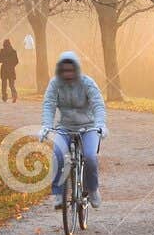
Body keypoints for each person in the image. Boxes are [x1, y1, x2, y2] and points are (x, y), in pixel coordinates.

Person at [39, 51, 107, 209]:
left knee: (90, 157)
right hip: (65, 127)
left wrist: (100, 125)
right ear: (60, 70)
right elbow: (49, 105)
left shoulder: (87, 82)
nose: (68, 74)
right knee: (57, 155)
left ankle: (92, 189)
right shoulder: (55, 84)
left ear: (76, 69)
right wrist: (46, 126)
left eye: (71, 70)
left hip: (89, 127)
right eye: (65, 70)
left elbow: (98, 104)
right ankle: (58, 194)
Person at [0, 38, 20, 102]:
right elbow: (16, 61)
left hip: (4, 69)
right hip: (11, 70)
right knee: (11, 84)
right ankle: (14, 95)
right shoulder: (13, 51)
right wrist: (12, 65)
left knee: (4, 84)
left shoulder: (2, 51)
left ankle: (4, 97)